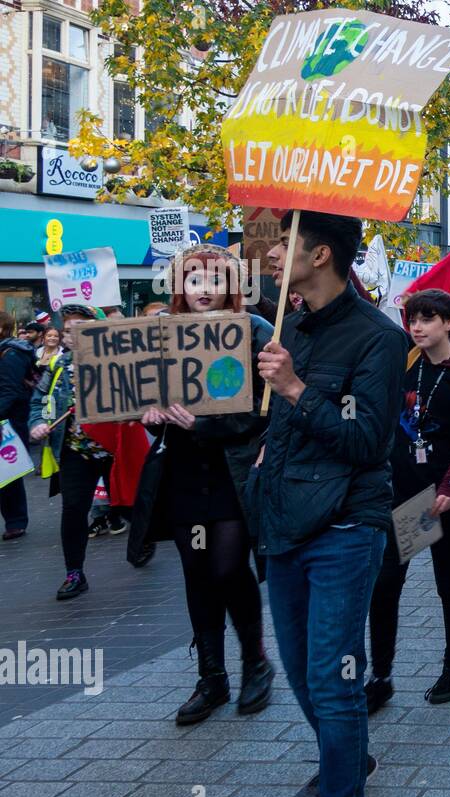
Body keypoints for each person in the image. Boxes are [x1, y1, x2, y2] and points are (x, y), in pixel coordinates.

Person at [254, 210, 408, 797]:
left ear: (320, 256)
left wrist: (294, 389)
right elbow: (279, 421)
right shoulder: (288, 324)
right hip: (285, 521)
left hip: (346, 526)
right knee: (298, 673)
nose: (273, 254)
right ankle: (347, 758)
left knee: (334, 679)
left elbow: (369, 440)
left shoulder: (380, 336)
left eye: (285, 243)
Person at [130, 245, 275, 724]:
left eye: (214, 279)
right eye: (193, 280)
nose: (203, 289)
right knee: (197, 575)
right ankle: (211, 677)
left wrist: (203, 426)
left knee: (228, 568)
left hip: (232, 473)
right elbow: (153, 404)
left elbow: (265, 414)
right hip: (185, 474)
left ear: (231, 285)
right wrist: (152, 418)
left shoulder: (255, 332)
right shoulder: (161, 334)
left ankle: (255, 662)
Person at [365, 290, 450, 713]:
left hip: (447, 500)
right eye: (412, 320)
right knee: (386, 584)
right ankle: (380, 676)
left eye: (427, 319)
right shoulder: (407, 363)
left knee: (449, 582)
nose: (417, 327)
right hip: (410, 498)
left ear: (449, 323)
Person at [28, 304, 111, 597]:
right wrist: (37, 423)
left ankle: (143, 541)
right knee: (74, 510)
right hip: (75, 449)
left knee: (132, 505)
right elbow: (38, 401)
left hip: (112, 448)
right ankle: (74, 573)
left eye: (81, 325)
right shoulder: (59, 366)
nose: (73, 332)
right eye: (68, 327)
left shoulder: (116, 360)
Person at [0, 311, 37, 541]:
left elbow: (9, 391)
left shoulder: (10, 354)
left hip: (8, 422)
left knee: (8, 474)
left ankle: (16, 521)